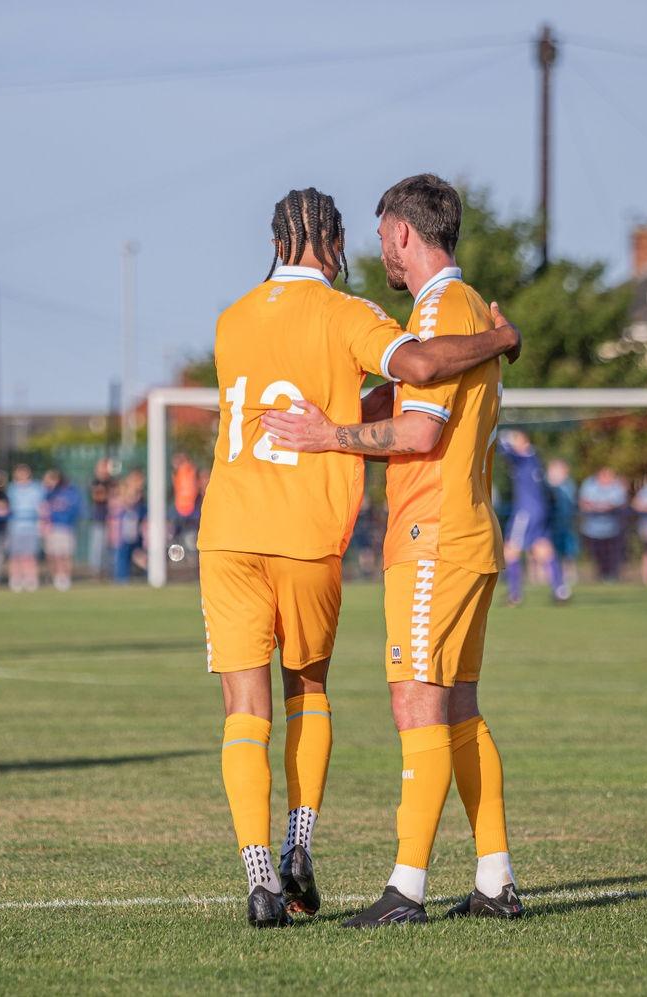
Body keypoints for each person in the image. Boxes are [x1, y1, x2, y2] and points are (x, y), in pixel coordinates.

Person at [197, 185, 520, 929]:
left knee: (252, 709)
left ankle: (269, 875)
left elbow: (407, 408)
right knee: (320, 688)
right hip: (316, 535)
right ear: (334, 244)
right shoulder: (355, 315)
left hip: (234, 530)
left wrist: (332, 426)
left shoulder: (230, 320)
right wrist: (503, 339)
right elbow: (420, 368)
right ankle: (309, 843)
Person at [498, 431, 570, 606]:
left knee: (511, 550)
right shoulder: (533, 458)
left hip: (525, 512)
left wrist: (502, 437)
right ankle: (560, 590)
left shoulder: (524, 458)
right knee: (542, 548)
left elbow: (503, 449)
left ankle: (514, 594)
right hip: (539, 511)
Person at [579, 467, 627, 580]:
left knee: (612, 556)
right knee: (597, 556)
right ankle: (600, 577)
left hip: (613, 529)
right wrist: (601, 506)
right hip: (593, 530)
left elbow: (619, 502)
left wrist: (601, 506)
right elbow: (584, 503)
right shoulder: (589, 485)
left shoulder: (617, 486)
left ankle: (612, 577)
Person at [41, 469, 83, 591]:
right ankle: (56, 578)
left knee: (65, 555)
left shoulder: (71, 492)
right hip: (52, 528)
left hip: (65, 527)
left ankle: (65, 578)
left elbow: (76, 509)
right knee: (53, 555)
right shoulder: (48, 493)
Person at [6, 464, 43, 592]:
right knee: (15, 555)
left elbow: (41, 507)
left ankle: (31, 579)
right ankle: (15, 579)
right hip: (15, 527)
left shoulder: (36, 488)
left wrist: (43, 523)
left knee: (30, 555)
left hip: (31, 527)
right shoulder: (11, 489)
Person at [546, 458, 579, 585]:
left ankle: (570, 577)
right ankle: (546, 577)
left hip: (565, 525)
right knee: (548, 552)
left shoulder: (568, 485)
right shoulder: (546, 485)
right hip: (551, 525)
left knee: (568, 553)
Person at [113, 469, 147, 583]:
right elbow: (124, 502)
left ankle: (146, 576)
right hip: (125, 531)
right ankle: (122, 579)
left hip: (136, 530)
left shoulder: (141, 495)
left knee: (139, 554)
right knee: (123, 555)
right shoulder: (125, 490)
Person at [88, 458, 115, 578]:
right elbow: (98, 496)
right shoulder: (94, 481)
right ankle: (97, 572)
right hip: (99, 519)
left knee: (110, 547)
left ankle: (109, 571)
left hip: (113, 520)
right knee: (97, 547)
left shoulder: (112, 482)